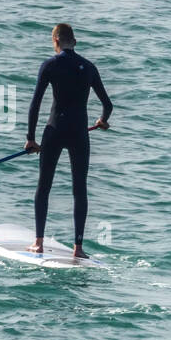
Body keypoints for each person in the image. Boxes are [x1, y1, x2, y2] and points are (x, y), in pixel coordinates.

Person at [24, 23, 112, 258]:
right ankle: (78, 248)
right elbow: (108, 104)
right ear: (75, 42)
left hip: (54, 130)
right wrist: (102, 120)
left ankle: (38, 243)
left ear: (55, 42)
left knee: (44, 187)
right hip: (79, 134)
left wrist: (31, 139)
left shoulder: (50, 65)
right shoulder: (89, 67)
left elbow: (35, 104)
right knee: (79, 189)